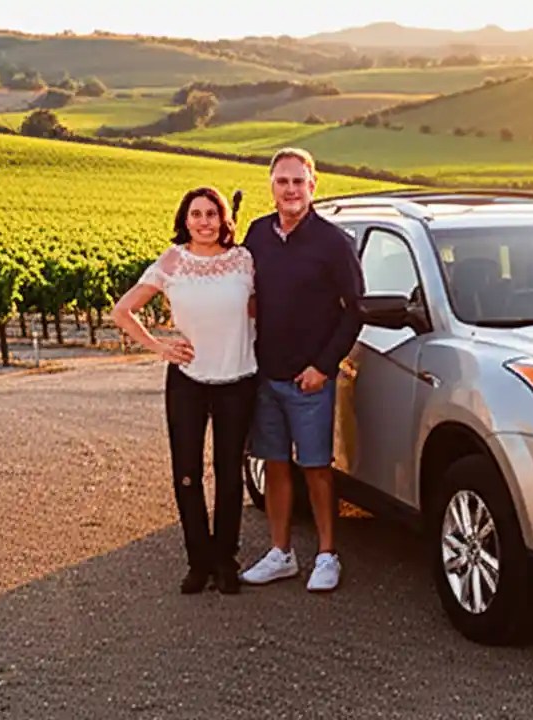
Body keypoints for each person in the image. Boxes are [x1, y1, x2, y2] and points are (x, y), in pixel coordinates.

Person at [111, 186, 257, 596]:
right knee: (188, 474)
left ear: (224, 219)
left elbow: (259, 309)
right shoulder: (173, 261)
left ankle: (225, 560)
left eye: (212, 213)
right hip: (188, 382)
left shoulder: (243, 260)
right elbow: (123, 311)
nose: (204, 221)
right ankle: (198, 561)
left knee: (230, 476)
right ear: (185, 219)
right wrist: (159, 346)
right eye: (196, 214)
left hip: (238, 380)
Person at [238, 148, 365, 592]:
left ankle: (327, 555)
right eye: (282, 182)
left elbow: (354, 312)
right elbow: (246, 296)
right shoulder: (256, 235)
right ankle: (281, 553)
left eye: (298, 181)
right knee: (274, 464)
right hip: (265, 375)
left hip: (308, 379)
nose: (290, 190)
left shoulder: (333, 242)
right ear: (271, 187)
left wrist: (323, 367)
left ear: (314, 185)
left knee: (316, 468)